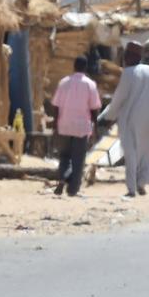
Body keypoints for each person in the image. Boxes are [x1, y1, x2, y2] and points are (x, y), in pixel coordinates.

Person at [99, 42, 149, 199]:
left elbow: (119, 98)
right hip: (148, 121)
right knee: (145, 152)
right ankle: (142, 183)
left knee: (130, 154)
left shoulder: (128, 73)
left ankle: (131, 189)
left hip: (128, 120)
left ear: (131, 56)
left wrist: (106, 117)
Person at [50, 56, 101, 197]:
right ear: (85, 68)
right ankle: (72, 189)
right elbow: (94, 109)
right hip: (81, 127)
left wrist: (55, 125)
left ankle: (62, 179)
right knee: (78, 159)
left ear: (74, 66)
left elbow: (56, 106)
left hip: (64, 125)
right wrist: (95, 126)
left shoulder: (63, 83)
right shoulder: (90, 85)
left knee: (64, 156)